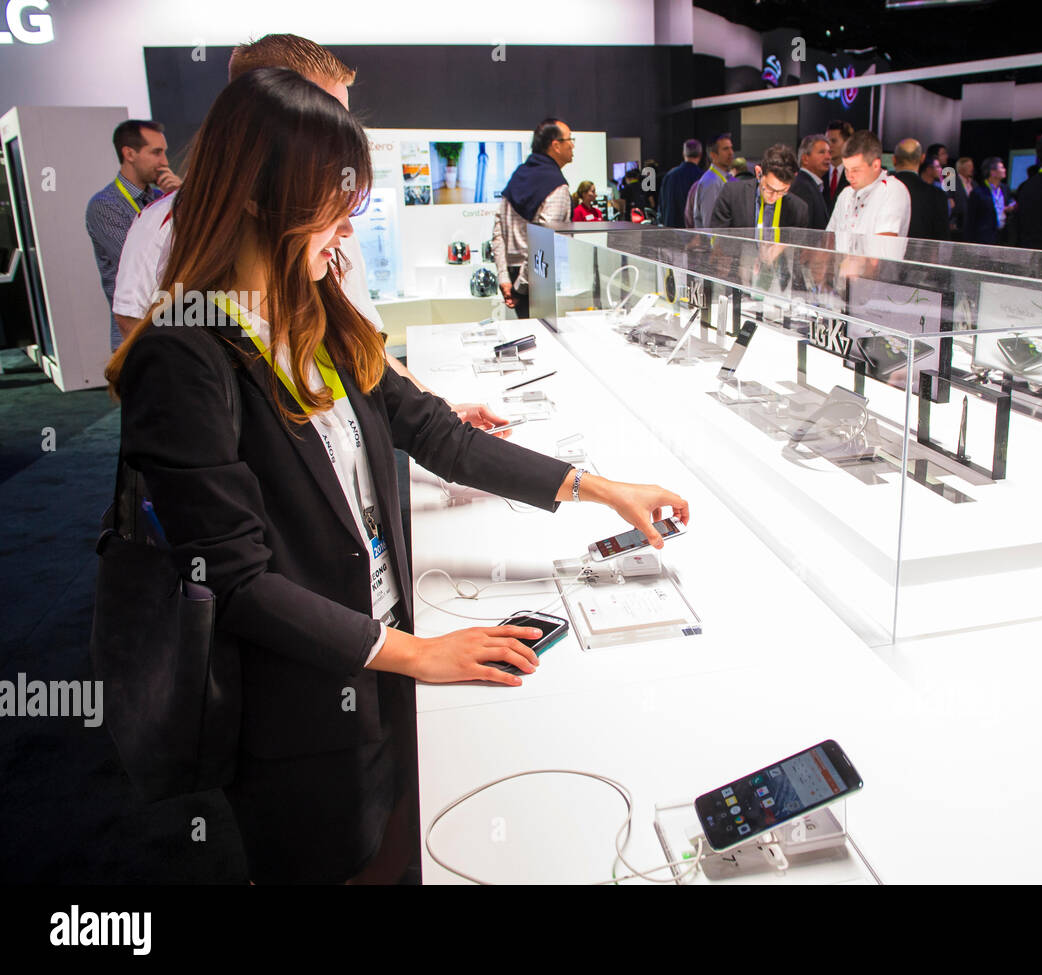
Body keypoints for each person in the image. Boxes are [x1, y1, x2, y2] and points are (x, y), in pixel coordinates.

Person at [105, 68, 689, 885]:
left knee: (401, 846)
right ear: (263, 199)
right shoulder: (186, 354)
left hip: (381, 664)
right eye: (334, 206)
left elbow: (437, 435)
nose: (347, 228)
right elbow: (236, 583)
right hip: (301, 703)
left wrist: (597, 487)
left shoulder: (319, 315)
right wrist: (414, 652)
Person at [110, 35, 489, 422]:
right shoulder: (161, 227)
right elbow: (143, 336)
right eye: (325, 116)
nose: (341, 135)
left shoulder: (327, 225)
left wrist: (434, 411)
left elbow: (359, 341)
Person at [85, 120, 180, 349]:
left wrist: (180, 198)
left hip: (170, 327)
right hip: (133, 332)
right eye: (156, 153)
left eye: (164, 152)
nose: (164, 162)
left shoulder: (162, 197)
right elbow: (146, 265)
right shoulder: (105, 206)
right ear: (129, 153)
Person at [492, 117, 573, 318]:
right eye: (569, 139)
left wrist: (505, 278)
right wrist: (521, 287)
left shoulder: (518, 176)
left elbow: (497, 232)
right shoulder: (556, 185)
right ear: (555, 145)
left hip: (516, 275)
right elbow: (543, 244)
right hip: (537, 278)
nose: (572, 145)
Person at [825, 129, 911, 238]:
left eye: (855, 170)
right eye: (846, 169)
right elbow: (829, 240)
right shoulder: (846, 194)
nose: (849, 176)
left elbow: (882, 246)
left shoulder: (892, 190)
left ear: (875, 165)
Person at [709, 144, 810, 231]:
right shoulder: (732, 194)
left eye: (782, 191)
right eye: (769, 188)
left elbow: (798, 250)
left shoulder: (799, 209)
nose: (774, 197)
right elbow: (717, 239)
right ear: (758, 173)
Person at [892, 138, 949, 240]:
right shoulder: (937, 195)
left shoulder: (880, 190)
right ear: (922, 158)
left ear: (894, 159)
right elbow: (942, 239)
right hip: (921, 255)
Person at [963, 157, 1014, 245]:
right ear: (992, 172)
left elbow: (1008, 203)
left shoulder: (1005, 189)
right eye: (1001, 167)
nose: (1004, 170)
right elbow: (970, 220)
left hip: (1002, 238)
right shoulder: (978, 193)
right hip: (984, 239)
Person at [658, 139, 705, 228]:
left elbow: (662, 206)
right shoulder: (703, 178)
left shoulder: (669, 176)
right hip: (693, 235)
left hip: (670, 232)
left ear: (683, 153)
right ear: (700, 154)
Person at [691, 132, 735, 229]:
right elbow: (710, 223)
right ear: (713, 155)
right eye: (725, 149)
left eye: (731, 148)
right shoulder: (711, 182)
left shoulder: (726, 178)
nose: (731, 152)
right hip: (716, 242)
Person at [791, 134, 831, 230]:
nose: (828, 157)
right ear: (805, 159)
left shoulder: (811, 184)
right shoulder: (802, 186)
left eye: (829, 152)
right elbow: (803, 230)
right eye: (822, 152)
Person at [824, 120, 854, 211]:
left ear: (847, 143)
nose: (829, 146)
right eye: (827, 141)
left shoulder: (854, 175)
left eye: (833, 141)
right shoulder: (819, 173)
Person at [950, 156, 975, 234]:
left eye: (972, 166)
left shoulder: (974, 184)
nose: (972, 169)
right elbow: (950, 203)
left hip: (971, 223)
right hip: (957, 224)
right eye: (969, 166)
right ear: (960, 168)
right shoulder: (952, 182)